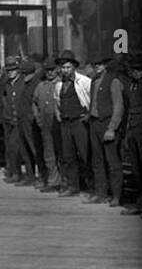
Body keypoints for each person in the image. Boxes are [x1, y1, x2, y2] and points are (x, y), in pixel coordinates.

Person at [86, 54, 128, 207]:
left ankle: (116, 196)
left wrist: (112, 128)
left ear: (105, 65)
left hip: (107, 123)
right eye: (95, 64)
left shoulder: (114, 80)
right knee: (97, 161)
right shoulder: (93, 81)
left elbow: (118, 106)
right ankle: (101, 193)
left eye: (100, 64)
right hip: (95, 123)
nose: (97, 66)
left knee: (113, 161)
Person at [53, 51, 92, 198]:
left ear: (74, 67)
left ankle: (92, 187)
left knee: (85, 154)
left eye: (68, 67)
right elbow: (57, 101)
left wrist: (88, 115)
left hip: (80, 122)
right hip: (65, 123)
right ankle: (73, 186)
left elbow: (92, 99)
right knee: (68, 156)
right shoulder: (59, 84)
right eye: (63, 67)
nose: (65, 70)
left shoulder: (84, 81)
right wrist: (58, 115)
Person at [122, 50, 142, 218]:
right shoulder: (132, 85)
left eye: (135, 69)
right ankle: (140, 203)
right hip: (134, 130)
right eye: (131, 69)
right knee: (136, 170)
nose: (132, 71)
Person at [14, 59, 44, 188]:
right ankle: (30, 175)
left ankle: (43, 176)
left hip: (30, 120)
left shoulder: (36, 83)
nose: (25, 76)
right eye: (23, 73)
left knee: (35, 149)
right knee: (24, 149)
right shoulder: (23, 83)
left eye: (26, 73)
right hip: (21, 119)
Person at [32, 60, 62, 191]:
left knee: (63, 153)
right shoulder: (40, 86)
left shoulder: (61, 83)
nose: (50, 72)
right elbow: (34, 102)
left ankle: (65, 181)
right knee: (48, 154)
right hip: (45, 124)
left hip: (59, 124)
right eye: (47, 70)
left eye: (52, 69)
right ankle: (52, 181)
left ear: (57, 70)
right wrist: (37, 117)